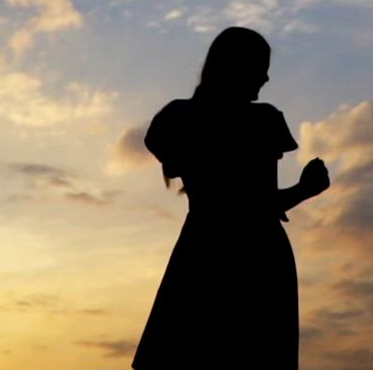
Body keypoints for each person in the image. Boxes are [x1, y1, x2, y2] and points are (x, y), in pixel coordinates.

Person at [133, 27, 330, 370]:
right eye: (261, 67)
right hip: (257, 256)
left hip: (203, 247)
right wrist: (305, 189)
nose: (266, 78)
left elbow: (234, 200)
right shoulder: (263, 120)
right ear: (237, 67)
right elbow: (256, 205)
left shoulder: (178, 118)